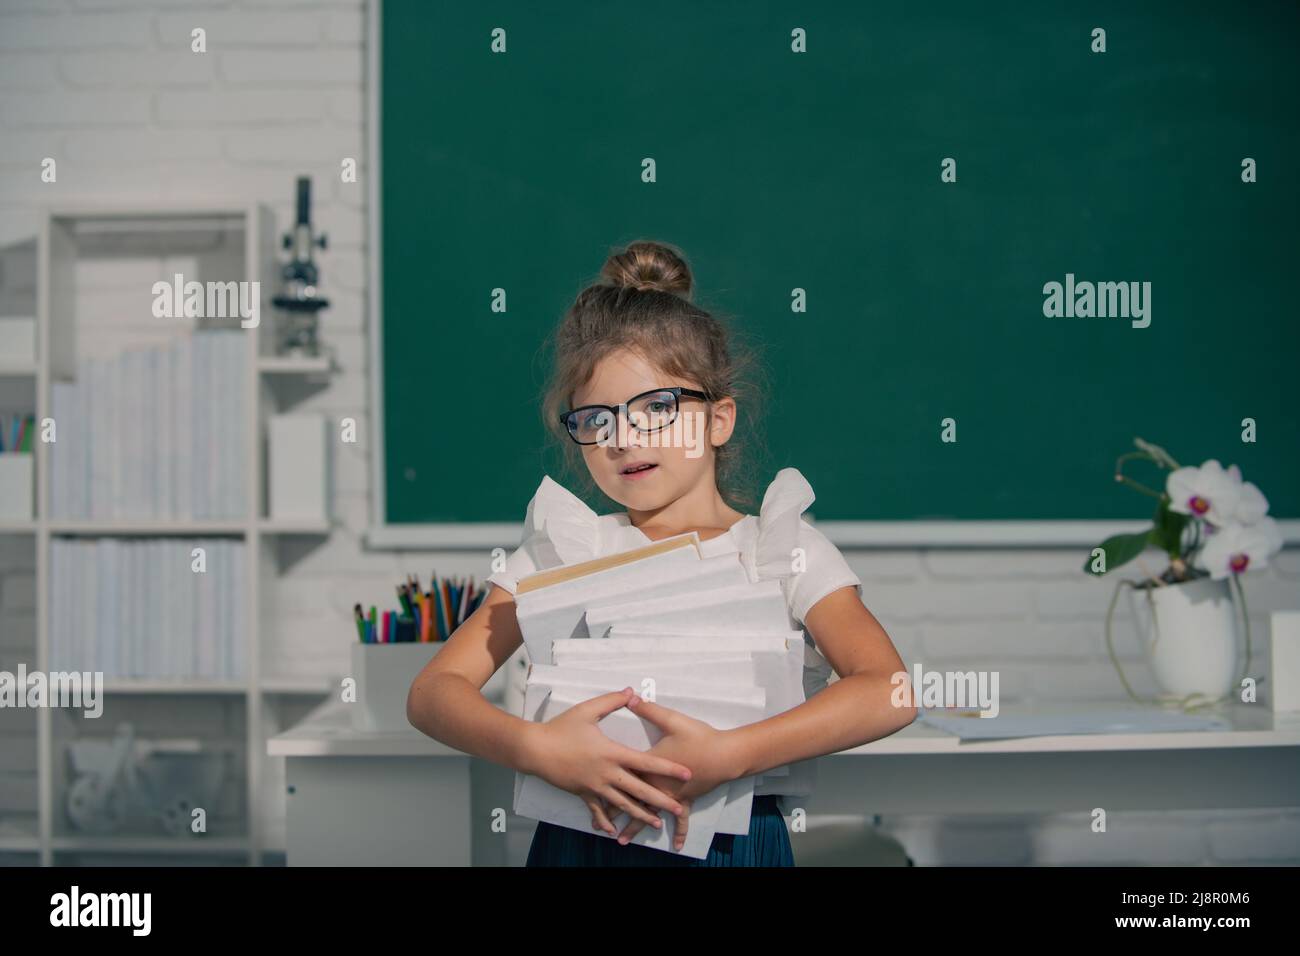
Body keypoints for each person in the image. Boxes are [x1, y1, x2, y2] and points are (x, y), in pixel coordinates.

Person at [407, 239, 916, 866]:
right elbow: (434, 693)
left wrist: (735, 752)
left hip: (733, 845)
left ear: (718, 420)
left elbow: (890, 690)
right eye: (596, 419)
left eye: (656, 409)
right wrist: (538, 750)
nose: (623, 439)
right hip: (582, 847)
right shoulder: (565, 550)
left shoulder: (779, 547)